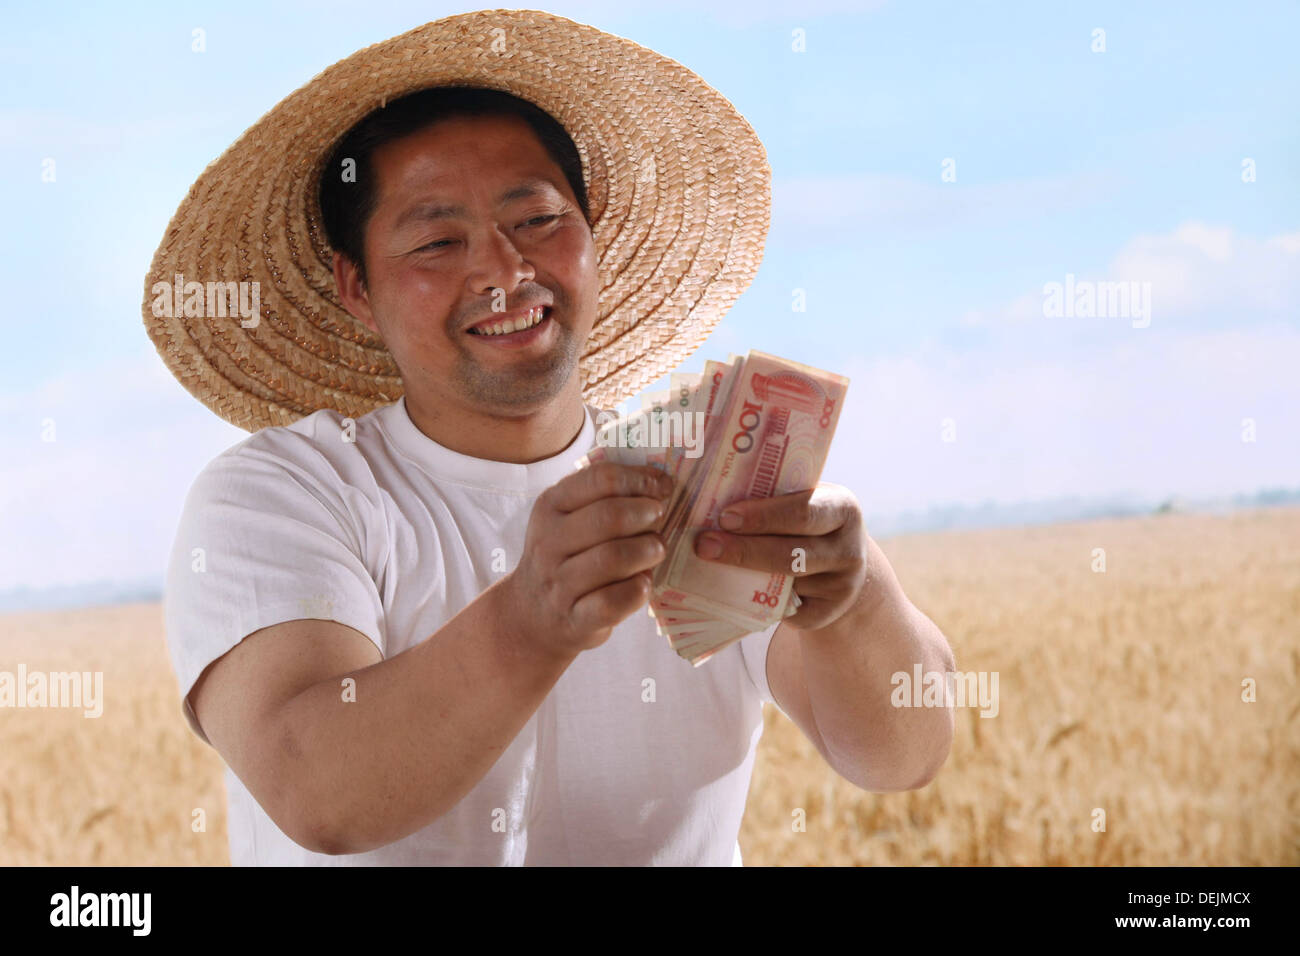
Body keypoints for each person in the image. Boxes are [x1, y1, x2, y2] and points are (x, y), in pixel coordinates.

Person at [145, 11, 955, 866]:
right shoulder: (283, 494)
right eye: (436, 241)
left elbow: (902, 757)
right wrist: (530, 619)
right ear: (357, 288)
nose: (503, 271)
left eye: (536, 220)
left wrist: (855, 602)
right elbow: (317, 788)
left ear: (592, 233)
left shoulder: (707, 476)